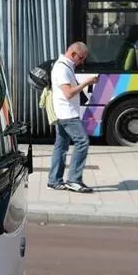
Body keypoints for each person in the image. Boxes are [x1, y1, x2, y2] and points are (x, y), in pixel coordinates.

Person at [48, 41, 98, 194]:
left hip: (64, 112)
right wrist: (86, 82)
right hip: (67, 113)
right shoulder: (62, 68)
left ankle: (54, 180)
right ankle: (74, 180)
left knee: (61, 146)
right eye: (81, 58)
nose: (81, 62)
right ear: (73, 54)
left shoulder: (65, 66)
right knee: (82, 142)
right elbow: (68, 93)